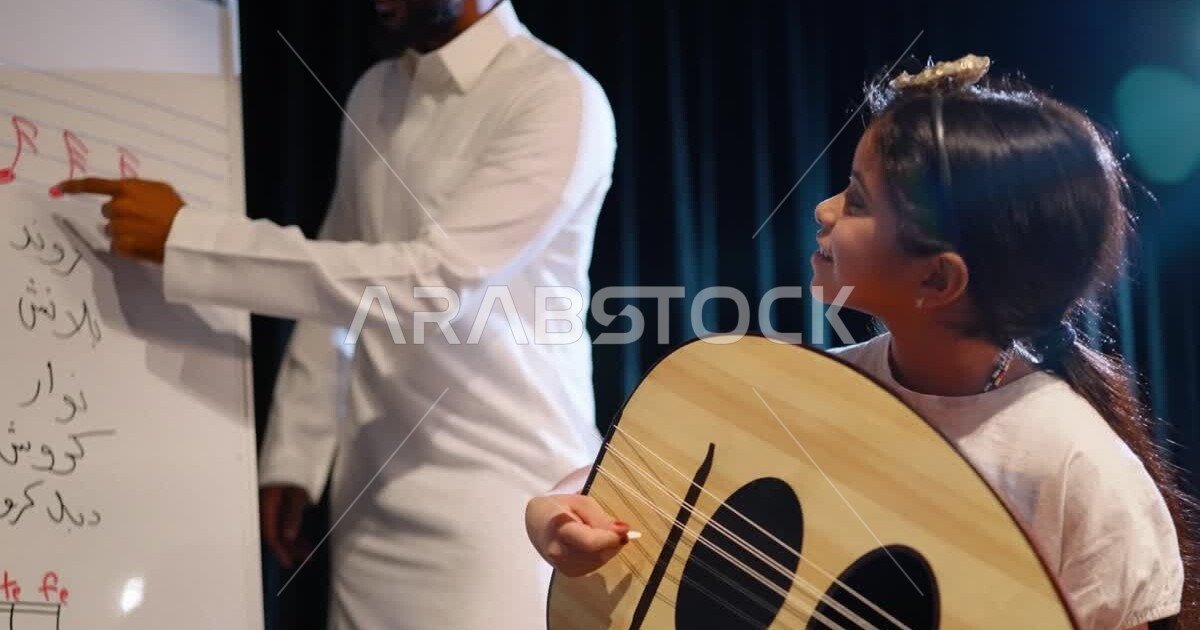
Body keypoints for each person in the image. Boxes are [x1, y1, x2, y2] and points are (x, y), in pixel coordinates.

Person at [524, 55, 1194, 630]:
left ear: (937, 276)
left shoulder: (1076, 465)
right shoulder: (807, 392)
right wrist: (554, 517)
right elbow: (619, 480)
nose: (824, 210)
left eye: (858, 201)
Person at [60, 1, 616, 628]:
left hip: (505, 508)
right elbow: (344, 266)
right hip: (370, 504)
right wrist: (296, 451)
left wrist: (192, 240)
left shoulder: (558, 96)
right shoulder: (375, 91)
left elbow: (432, 284)